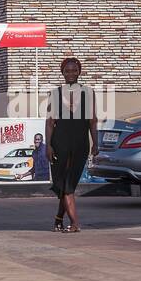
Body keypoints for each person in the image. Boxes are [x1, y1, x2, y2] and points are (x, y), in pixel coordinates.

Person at [46, 57, 98, 233]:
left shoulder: (89, 92)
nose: (71, 73)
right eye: (67, 71)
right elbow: (50, 122)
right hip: (59, 143)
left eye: (74, 70)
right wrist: (48, 146)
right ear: (62, 72)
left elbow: (92, 121)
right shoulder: (55, 93)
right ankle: (75, 223)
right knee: (64, 184)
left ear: (79, 72)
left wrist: (95, 143)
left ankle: (59, 219)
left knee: (68, 184)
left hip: (80, 144)